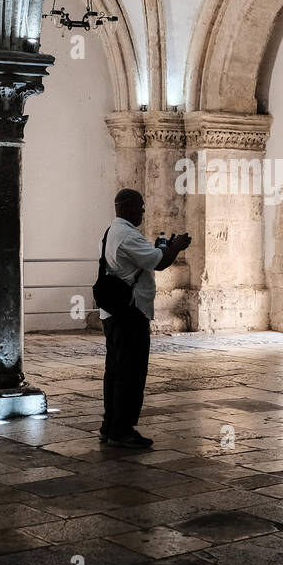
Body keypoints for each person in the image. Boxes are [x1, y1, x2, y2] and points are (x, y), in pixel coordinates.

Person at [98, 188, 191, 448]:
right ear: (126, 207)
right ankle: (122, 430)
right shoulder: (127, 234)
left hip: (114, 312)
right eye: (140, 206)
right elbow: (158, 263)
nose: (143, 211)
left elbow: (144, 259)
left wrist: (164, 249)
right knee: (131, 373)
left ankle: (110, 425)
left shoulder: (111, 232)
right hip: (130, 312)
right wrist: (177, 246)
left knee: (115, 371)